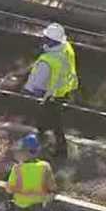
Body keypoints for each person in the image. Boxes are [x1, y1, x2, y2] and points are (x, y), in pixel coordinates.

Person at [22, 23, 79, 158]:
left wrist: (28, 89)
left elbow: (37, 84)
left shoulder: (47, 60)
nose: (43, 39)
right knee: (47, 117)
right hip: (64, 89)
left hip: (51, 95)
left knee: (55, 122)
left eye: (46, 37)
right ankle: (41, 133)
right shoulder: (67, 48)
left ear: (51, 41)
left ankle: (60, 150)